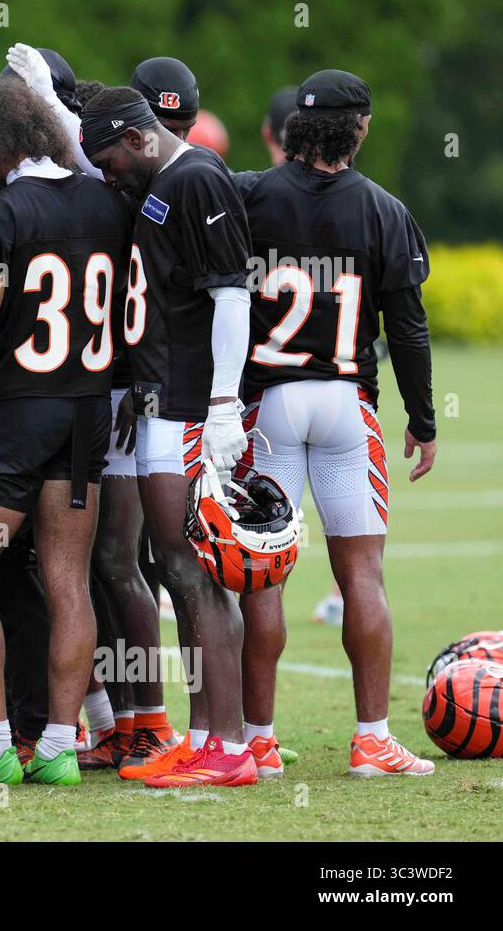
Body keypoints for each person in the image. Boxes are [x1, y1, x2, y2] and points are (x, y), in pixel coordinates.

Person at [233, 69, 436, 778]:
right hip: (347, 400)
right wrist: (423, 419)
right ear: (361, 128)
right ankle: (372, 739)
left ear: (295, 127)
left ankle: (256, 738)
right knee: (362, 575)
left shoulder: (251, 194)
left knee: (263, 579)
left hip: (270, 403)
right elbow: (408, 329)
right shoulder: (382, 208)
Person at [0, 78, 134, 786]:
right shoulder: (107, 203)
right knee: (69, 582)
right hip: (88, 411)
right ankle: (57, 745)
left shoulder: (1, 217)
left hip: (16, 412)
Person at [82, 86, 258, 787]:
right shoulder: (163, 177)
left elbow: (231, 295)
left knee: (191, 570)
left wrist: (220, 405)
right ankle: (208, 734)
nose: (106, 174)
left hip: (187, 405)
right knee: (175, 566)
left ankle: (231, 747)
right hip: (162, 400)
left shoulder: (196, 177)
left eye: (107, 159)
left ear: (135, 137)